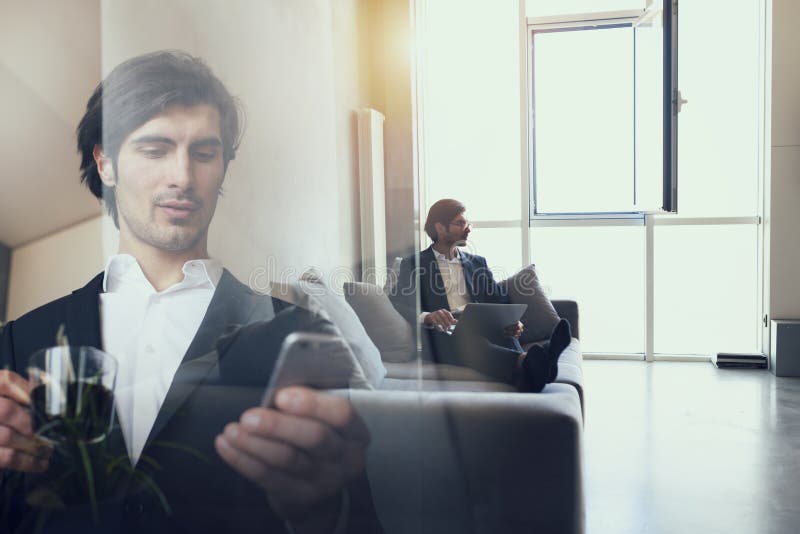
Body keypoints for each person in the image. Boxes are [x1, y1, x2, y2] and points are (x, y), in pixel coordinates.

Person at [0, 50, 383, 534]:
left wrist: (321, 512)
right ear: (106, 164)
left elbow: (358, 522)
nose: (183, 176)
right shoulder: (20, 339)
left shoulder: (300, 336)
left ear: (223, 166)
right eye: (155, 149)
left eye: (203, 153)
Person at [391, 199, 571, 393]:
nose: (468, 229)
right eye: (461, 223)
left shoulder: (477, 263)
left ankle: (535, 370)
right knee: (472, 342)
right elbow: (397, 303)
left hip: (479, 325)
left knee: (501, 334)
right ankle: (537, 363)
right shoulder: (414, 264)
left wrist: (512, 321)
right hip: (442, 334)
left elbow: (499, 300)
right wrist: (428, 316)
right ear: (440, 228)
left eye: (468, 224)